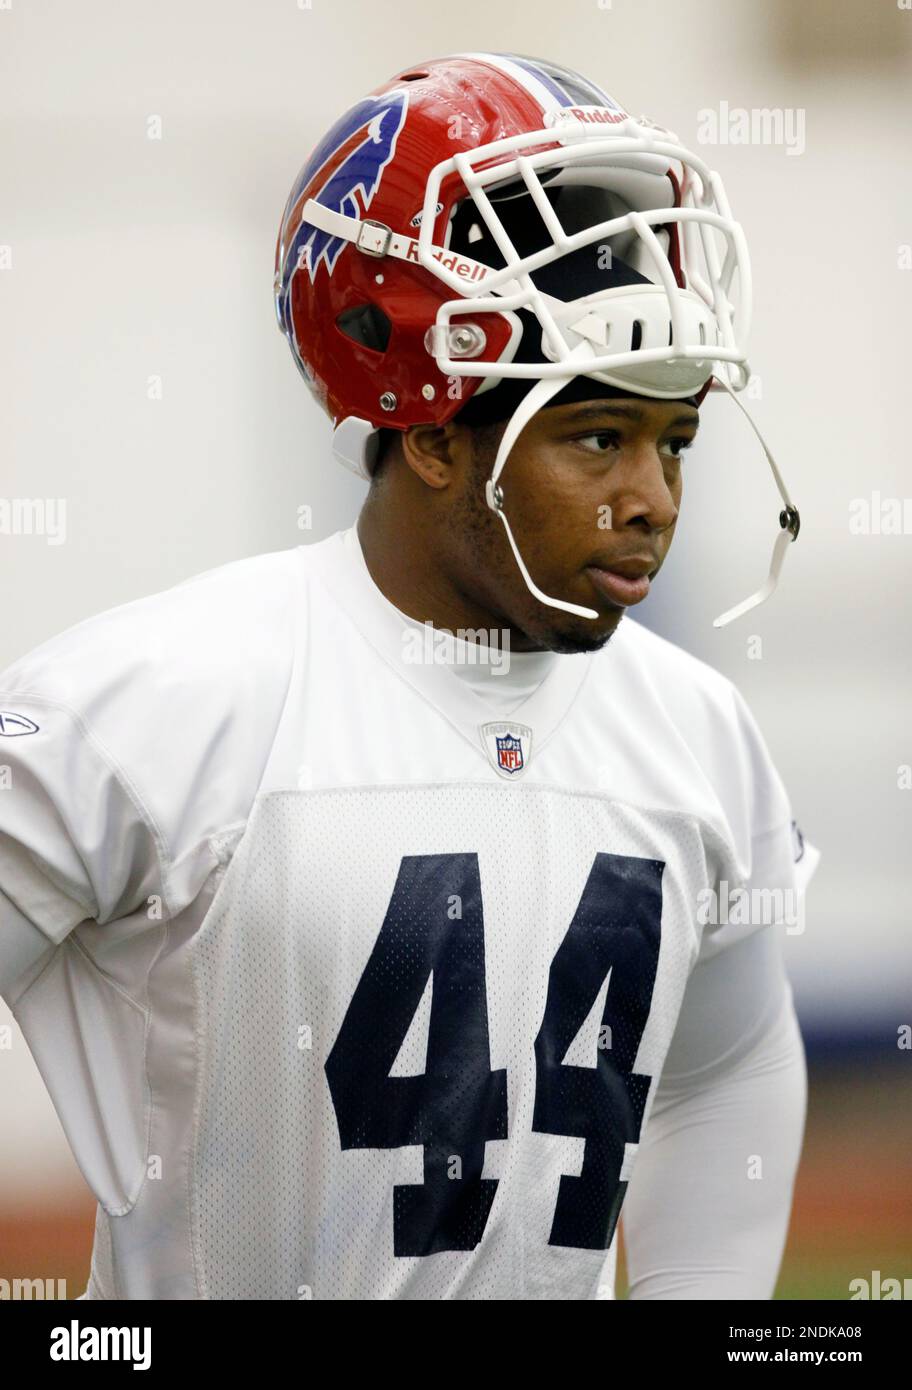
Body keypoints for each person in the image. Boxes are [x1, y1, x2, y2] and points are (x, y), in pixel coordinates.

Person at [0, 52, 818, 1300]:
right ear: (433, 431)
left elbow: (725, 1069)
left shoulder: (698, 734)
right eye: (597, 436)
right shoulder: (165, 701)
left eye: (677, 439)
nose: (652, 501)